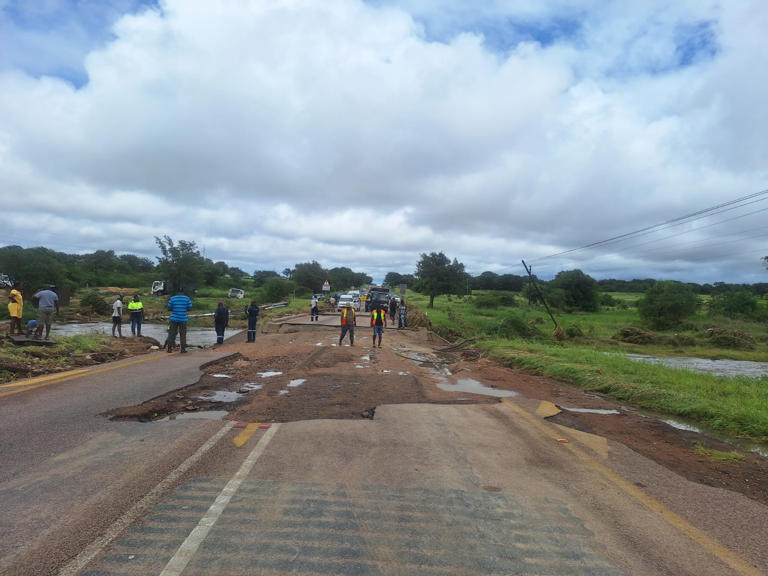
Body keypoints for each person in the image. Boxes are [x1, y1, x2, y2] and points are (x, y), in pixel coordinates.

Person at [167, 287, 193, 353]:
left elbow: (169, 308)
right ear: (183, 292)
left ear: (177, 292)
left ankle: (169, 349)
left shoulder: (173, 298)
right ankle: (183, 349)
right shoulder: (187, 298)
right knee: (183, 335)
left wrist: (175, 309)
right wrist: (184, 310)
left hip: (174, 319)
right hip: (183, 319)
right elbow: (190, 308)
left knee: (172, 334)